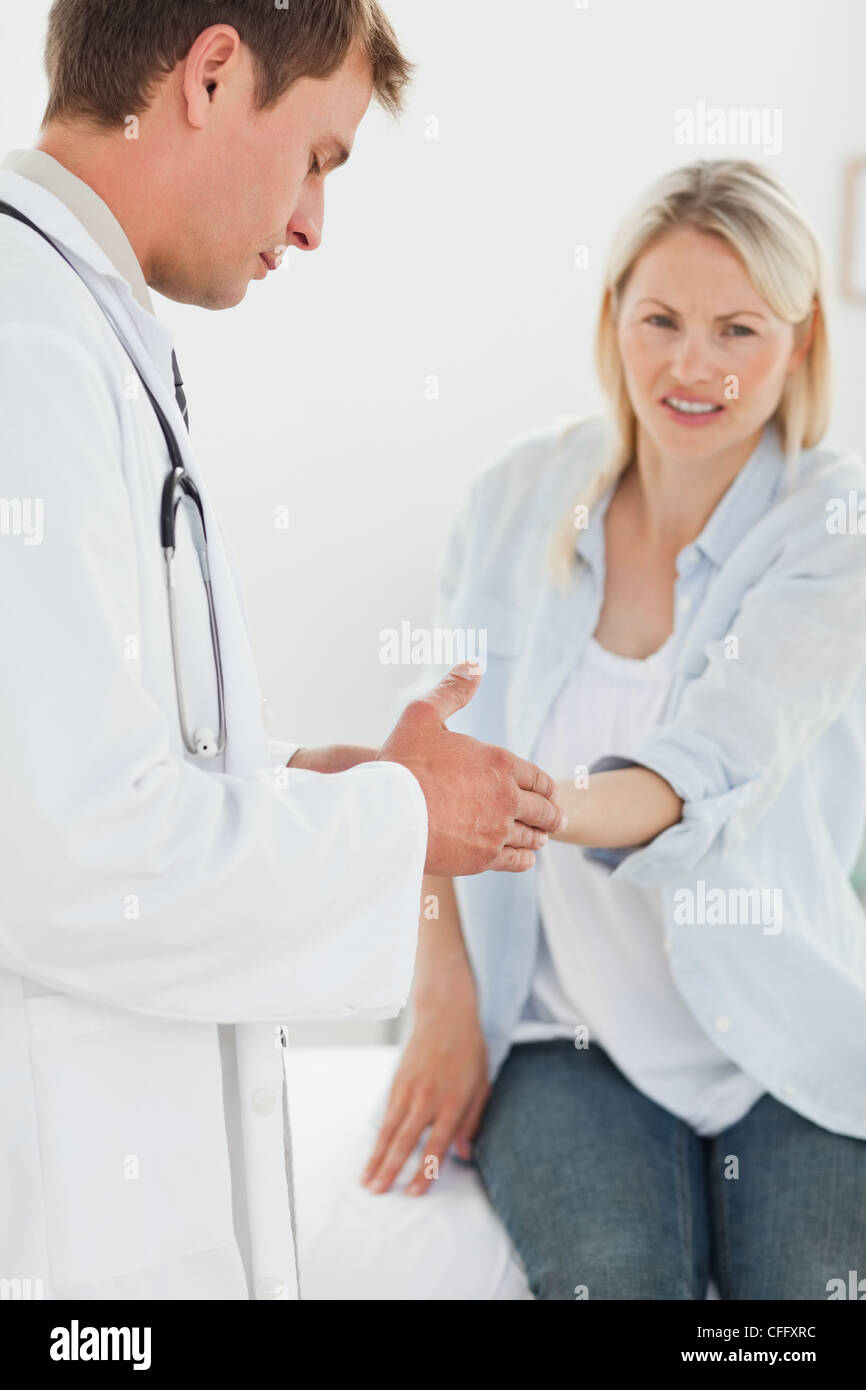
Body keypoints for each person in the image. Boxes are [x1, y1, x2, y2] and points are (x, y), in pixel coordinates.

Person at [0, 1, 564, 1302]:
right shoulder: (26, 338)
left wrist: (286, 780)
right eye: (318, 155)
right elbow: (72, 855)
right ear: (209, 73)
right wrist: (399, 818)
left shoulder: (83, 321)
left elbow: (75, 757)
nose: (313, 222)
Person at [362, 160, 866, 1300]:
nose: (692, 366)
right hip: (567, 1038)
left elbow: (708, 764)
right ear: (612, 321)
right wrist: (442, 997)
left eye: (736, 328)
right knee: (611, 1279)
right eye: (661, 321)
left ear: (796, 341)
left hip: (781, 1035)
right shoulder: (513, 500)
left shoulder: (834, 523)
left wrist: (516, 803)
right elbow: (433, 781)